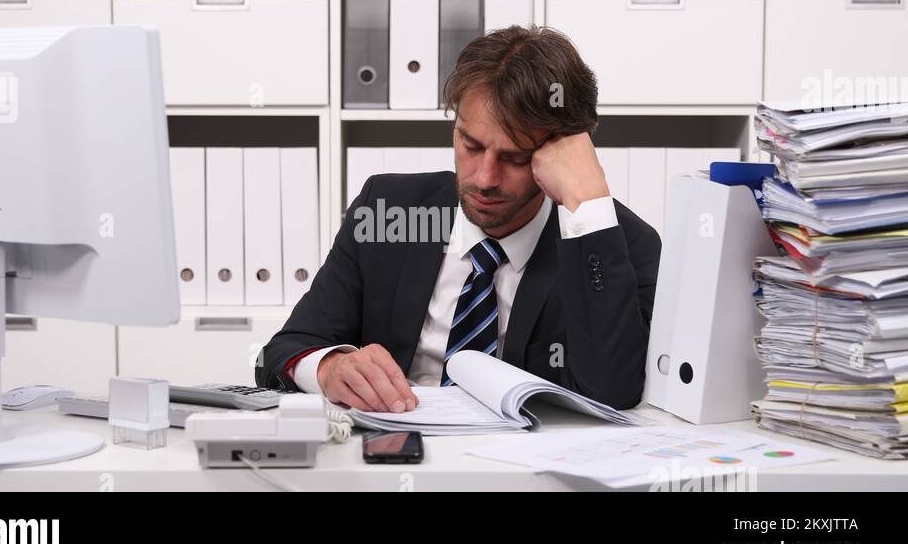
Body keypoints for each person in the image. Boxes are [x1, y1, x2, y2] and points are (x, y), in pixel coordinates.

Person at [255, 25, 661, 413]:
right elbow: (282, 352)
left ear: (562, 152)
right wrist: (329, 367)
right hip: (397, 453)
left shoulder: (619, 243)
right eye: (471, 145)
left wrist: (586, 202)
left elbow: (612, 392)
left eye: (515, 158)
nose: (484, 179)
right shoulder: (389, 210)